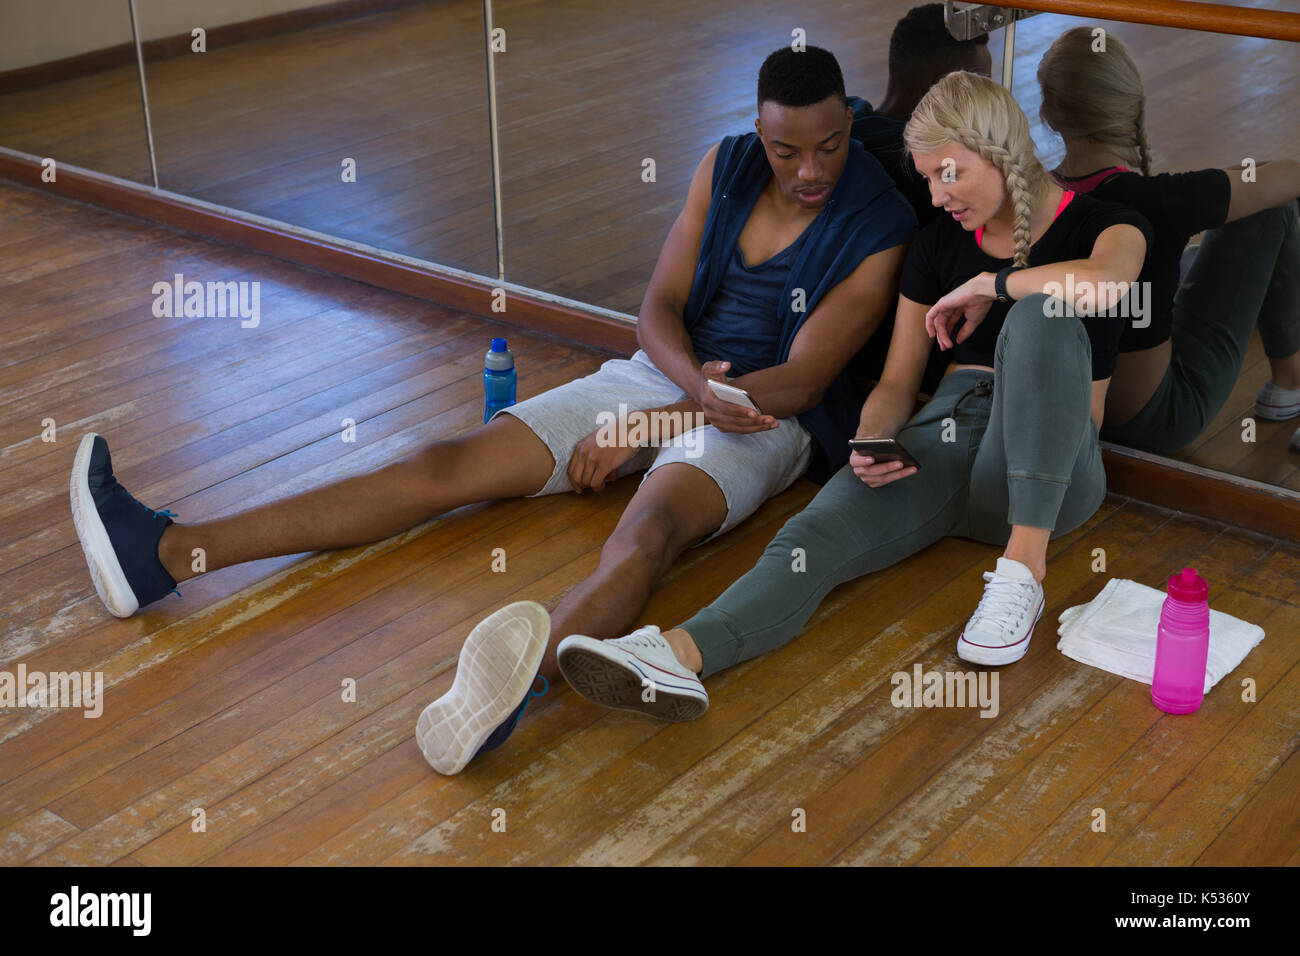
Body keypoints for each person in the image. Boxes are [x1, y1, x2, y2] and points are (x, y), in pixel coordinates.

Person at [69, 46, 916, 774]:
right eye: (786, 150)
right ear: (760, 135)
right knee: (441, 466)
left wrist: (658, 427)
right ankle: (166, 553)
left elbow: (803, 382)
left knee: (649, 537)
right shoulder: (725, 163)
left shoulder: (879, 218)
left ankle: (511, 693)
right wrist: (681, 391)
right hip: (676, 378)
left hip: (764, 417)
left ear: (848, 121)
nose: (810, 170)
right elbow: (656, 310)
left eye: (830, 146)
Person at [555, 71, 1152, 722]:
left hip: (1054, 468)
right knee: (812, 535)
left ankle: (1022, 571)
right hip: (948, 446)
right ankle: (677, 655)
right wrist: (873, 438)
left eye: (948, 174)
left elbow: (1108, 283)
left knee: (1045, 314)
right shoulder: (935, 244)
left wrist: (994, 286)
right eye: (926, 178)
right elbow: (897, 384)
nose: (936, 194)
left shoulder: (1107, 224)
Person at [1037, 26, 1300, 455]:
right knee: (1271, 210)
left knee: (1189, 258)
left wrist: (1220, 188)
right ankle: (1291, 382)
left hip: (1069, 414)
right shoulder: (1164, 200)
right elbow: (1288, 179)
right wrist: (1232, 185)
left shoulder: (1038, 193)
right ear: (1134, 106)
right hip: (1157, 419)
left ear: (1048, 112)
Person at [848, 2, 993, 226]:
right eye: (980, 89)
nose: (985, 102)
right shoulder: (929, 177)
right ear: (943, 85)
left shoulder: (854, 125)